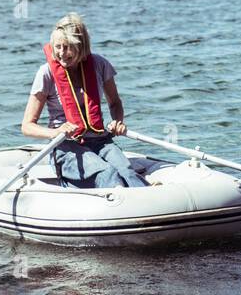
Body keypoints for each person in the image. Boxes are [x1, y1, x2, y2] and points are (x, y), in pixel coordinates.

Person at [21, 12, 149, 189]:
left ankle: (146, 197)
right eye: (57, 47)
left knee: (127, 171)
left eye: (67, 47)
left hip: (100, 140)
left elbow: (115, 103)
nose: (61, 53)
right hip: (66, 146)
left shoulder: (99, 64)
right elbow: (27, 126)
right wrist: (56, 132)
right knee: (106, 173)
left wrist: (117, 121)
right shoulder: (46, 73)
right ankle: (118, 201)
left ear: (81, 46)